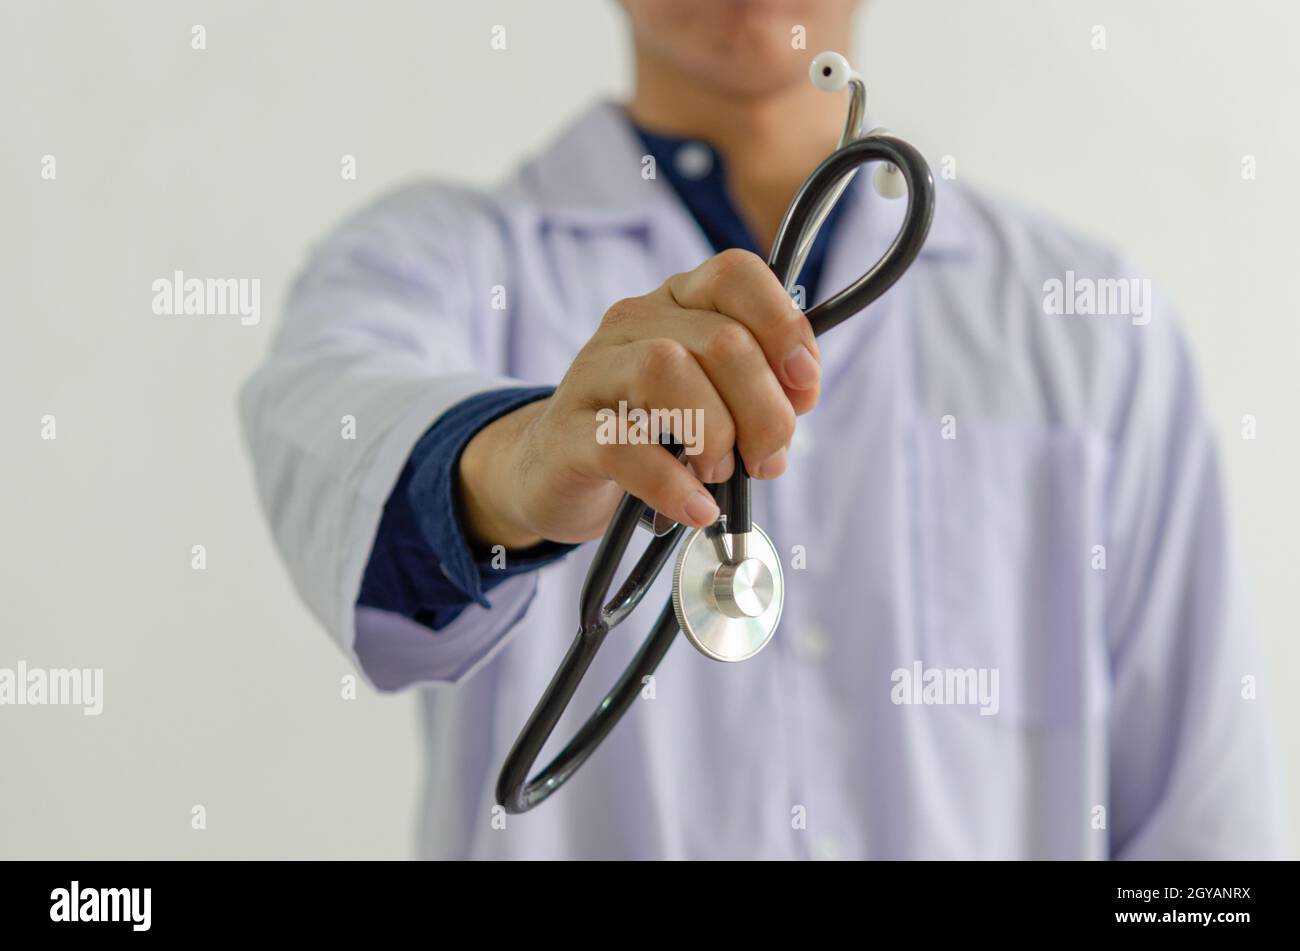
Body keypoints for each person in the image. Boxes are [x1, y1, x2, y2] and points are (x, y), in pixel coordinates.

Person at [239, 0, 1287, 859]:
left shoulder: (1093, 322)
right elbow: (336, 437)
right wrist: (518, 461)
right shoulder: (435, 260)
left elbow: (1207, 833)